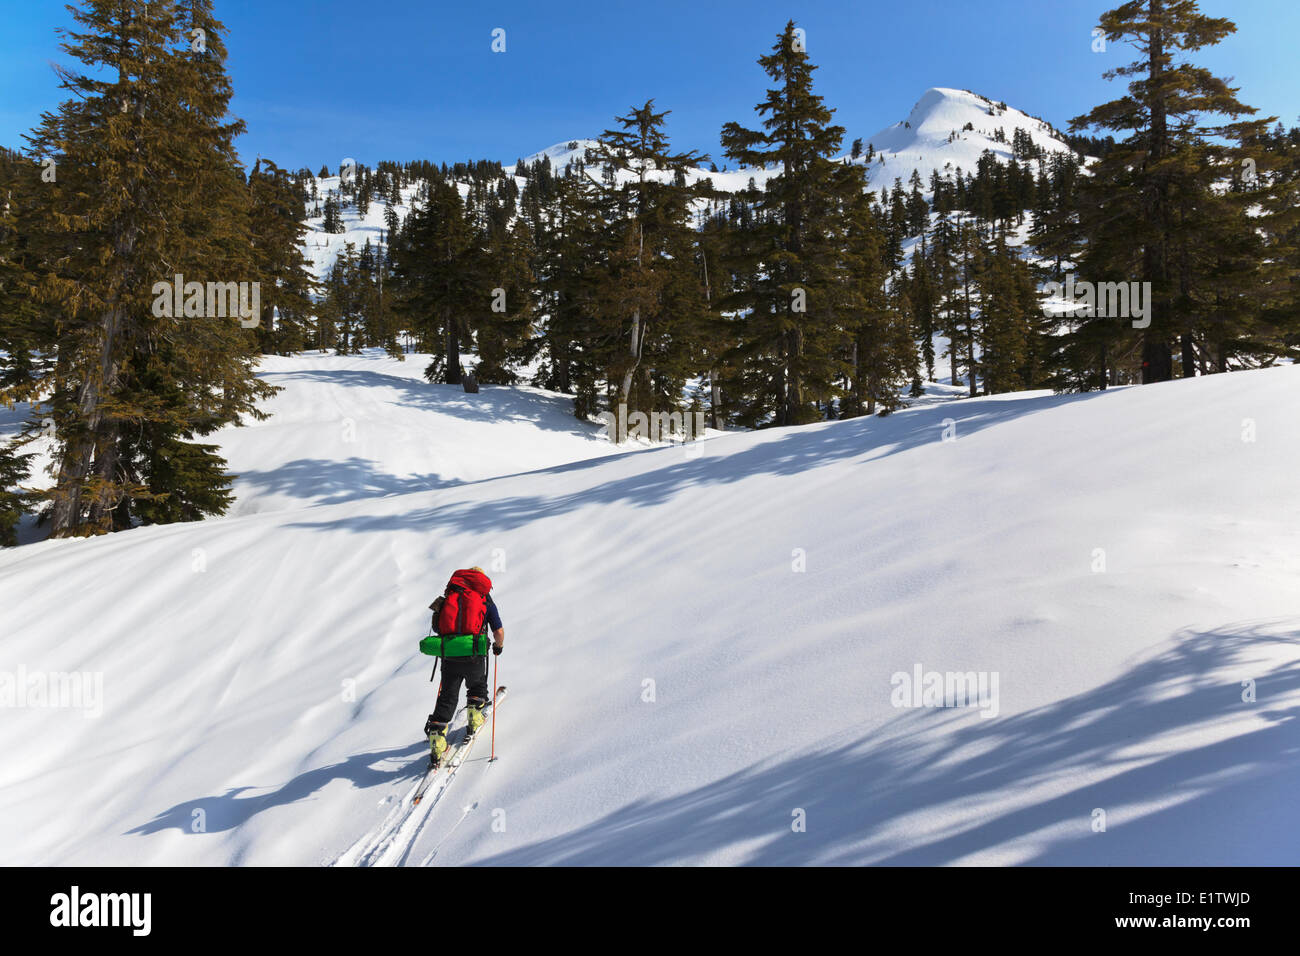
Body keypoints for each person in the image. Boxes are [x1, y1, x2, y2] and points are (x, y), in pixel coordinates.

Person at [423, 567, 504, 765]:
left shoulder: (450, 595)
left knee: (448, 695)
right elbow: (499, 631)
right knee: (477, 685)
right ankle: (474, 715)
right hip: (474, 654)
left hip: (449, 654)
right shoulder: (485, 599)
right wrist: (498, 647)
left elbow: (436, 626)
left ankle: (437, 736)